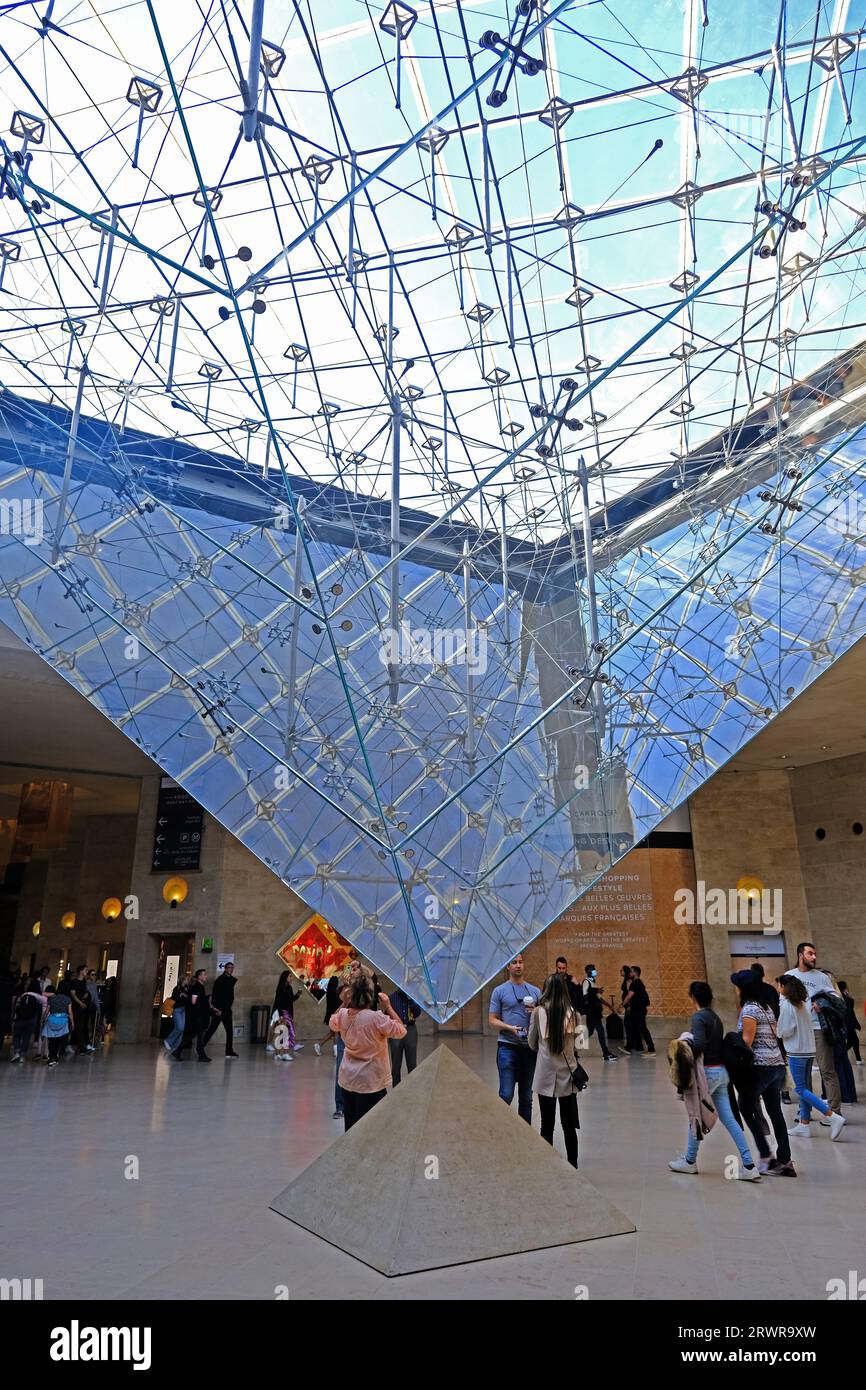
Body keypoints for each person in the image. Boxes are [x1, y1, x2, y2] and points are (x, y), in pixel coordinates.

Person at [668, 982, 760, 1179]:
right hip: (721, 1072)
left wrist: (683, 1047)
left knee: (696, 1116)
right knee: (730, 1119)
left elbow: (699, 1044)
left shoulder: (699, 1017)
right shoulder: (714, 1016)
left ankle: (689, 1161)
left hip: (707, 1074)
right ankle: (749, 1165)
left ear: (692, 996)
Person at [731, 969, 795, 1176]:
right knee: (775, 1112)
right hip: (776, 1065)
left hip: (761, 1067)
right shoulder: (765, 1007)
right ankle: (785, 1160)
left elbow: (747, 1042)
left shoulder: (750, 1009)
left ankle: (767, 1156)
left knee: (744, 1106)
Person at [328, 971, 406, 1131]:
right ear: (370, 996)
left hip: (348, 1080)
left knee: (351, 1127)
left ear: (352, 994)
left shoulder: (343, 1015)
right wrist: (388, 1006)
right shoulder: (376, 1018)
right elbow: (401, 1030)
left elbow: (332, 1022)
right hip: (371, 1082)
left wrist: (344, 1003)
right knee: (371, 1131)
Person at [778, 975, 846, 1141]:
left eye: (779, 986)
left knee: (800, 1088)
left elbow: (785, 1030)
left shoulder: (787, 1005)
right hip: (808, 1050)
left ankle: (832, 1116)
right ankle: (804, 1123)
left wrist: (777, 1031)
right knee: (804, 1088)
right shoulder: (803, 1004)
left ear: (784, 987)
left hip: (796, 1050)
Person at [528, 973, 582, 1168]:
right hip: (568, 1075)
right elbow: (582, 1045)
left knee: (546, 1124)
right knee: (569, 1125)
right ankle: (573, 1165)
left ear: (546, 990)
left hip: (545, 1075)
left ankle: (547, 1166)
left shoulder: (537, 1012)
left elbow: (531, 1043)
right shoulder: (575, 1015)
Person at [787, 942, 843, 1116]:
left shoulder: (821, 977)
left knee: (827, 1070)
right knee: (803, 1074)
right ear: (800, 955)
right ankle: (805, 1111)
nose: (814, 957)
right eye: (810, 953)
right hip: (799, 1030)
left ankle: (834, 1113)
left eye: (815, 954)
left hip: (818, 1028)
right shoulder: (789, 976)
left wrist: (822, 1003)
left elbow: (836, 999)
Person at [488, 954, 541, 1123]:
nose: (518, 965)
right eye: (514, 962)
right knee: (506, 1094)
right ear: (508, 966)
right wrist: (510, 1028)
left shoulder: (535, 991)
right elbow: (492, 1020)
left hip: (529, 1049)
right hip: (507, 1047)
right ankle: (501, 1130)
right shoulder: (499, 991)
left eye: (521, 962)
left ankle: (524, 1134)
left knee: (526, 1097)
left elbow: (542, 1018)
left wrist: (535, 1012)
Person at [172, 969, 214, 1061]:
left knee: (193, 1035)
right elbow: (194, 1001)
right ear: (199, 976)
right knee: (195, 1035)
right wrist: (204, 1004)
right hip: (197, 1016)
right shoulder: (197, 987)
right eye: (204, 974)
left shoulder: (199, 986)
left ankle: (179, 1052)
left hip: (197, 1016)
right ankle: (200, 1055)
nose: (206, 976)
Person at [577, 962, 617, 1062]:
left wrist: (609, 1006)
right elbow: (585, 996)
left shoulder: (593, 983)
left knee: (589, 1032)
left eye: (594, 969)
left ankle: (573, 1050)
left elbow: (599, 998)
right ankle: (606, 1053)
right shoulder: (586, 982)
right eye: (592, 969)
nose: (595, 971)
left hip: (595, 1011)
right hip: (592, 1012)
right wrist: (596, 991)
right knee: (600, 1031)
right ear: (588, 971)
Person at [206, 962, 239, 1058]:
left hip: (227, 1010)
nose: (231, 969)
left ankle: (229, 1051)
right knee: (211, 1029)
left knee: (229, 1031)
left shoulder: (230, 980)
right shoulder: (220, 980)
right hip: (219, 1010)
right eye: (229, 967)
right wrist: (217, 1010)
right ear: (225, 968)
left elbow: (229, 997)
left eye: (232, 968)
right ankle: (200, 1046)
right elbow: (216, 996)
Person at [388, 988, 420, 1086]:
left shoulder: (413, 996)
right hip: (396, 1030)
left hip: (410, 1029)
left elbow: (417, 1013)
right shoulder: (392, 998)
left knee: (412, 1063)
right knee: (396, 1064)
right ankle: (396, 1088)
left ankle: (412, 1088)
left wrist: (411, 1000)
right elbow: (387, 1015)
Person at [623, 965, 655, 1055]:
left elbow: (629, 996)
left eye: (631, 971)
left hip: (638, 1010)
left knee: (642, 1029)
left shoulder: (635, 983)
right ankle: (637, 1047)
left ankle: (651, 1049)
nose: (629, 973)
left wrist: (622, 1005)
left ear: (635, 973)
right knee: (635, 1028)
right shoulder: (638, 983)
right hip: (637, 1010)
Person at [10, 982, 46, 1063]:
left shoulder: (22, 995)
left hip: (20, 1019)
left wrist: (14, 1017)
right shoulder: (38, 998)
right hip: (31, 1021)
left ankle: (17, 1052)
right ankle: (22, 1056)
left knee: (16, 1036)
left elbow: (16, 1007)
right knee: (26, 1038)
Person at [272, 970, 303, 1053]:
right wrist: (281, 1015)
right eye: (290, 976)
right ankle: (282, 1051)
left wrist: (298, 995)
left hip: (288, 1012)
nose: (291, 978)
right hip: (282, 1012)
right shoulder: (280, 988)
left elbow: (291, 1000)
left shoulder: (289, 988)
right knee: (285, 1031)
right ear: (285, 977)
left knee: (287, 1031)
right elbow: (278, 1002)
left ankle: (284, 1050)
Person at [42, 986, 73, 1066]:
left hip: (52, 1020)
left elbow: (47, 1011)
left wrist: (43, 1019)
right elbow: (70, 1012)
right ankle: (55, 1057)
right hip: (62, 1021)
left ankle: (51, 1057)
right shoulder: (68, 999)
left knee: (51, 1040)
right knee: (59, 1040)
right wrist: (72, 1022)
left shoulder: (52, 998)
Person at [68, 965, 94, 1054]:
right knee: (78, 1027)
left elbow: (84, 991)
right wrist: (80, 1003)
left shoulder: (84, 981)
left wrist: (86, 994)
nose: (86, 972)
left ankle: (76, 1045)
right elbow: (73, 994)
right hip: (76, 1007)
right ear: (81, 971)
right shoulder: (74, 982)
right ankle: (81, 1048)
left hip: (83, 1007)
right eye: (85, 970)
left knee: (81, 1026)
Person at [838, 980, 862, 1065]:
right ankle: (840, 1055)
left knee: (854, 1040)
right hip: (848, 1023)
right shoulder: (845, 998)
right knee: (853, 1041)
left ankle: (858, 1059)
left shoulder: (842, 997)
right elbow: (849, 1011)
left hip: (848, 1023)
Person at [163, 975, 189, 1054]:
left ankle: (176, 1046)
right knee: (180, 1027)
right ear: (182, 980)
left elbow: (189, 998)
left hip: (184, 1010)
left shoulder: (187, 988)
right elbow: (174, 998)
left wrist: (184, 995)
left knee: (182, 1029)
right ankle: (168, 1041)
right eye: (186, 979)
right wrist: (181, 995)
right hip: (177, 1010)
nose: (187, 981)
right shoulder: (177, 988)